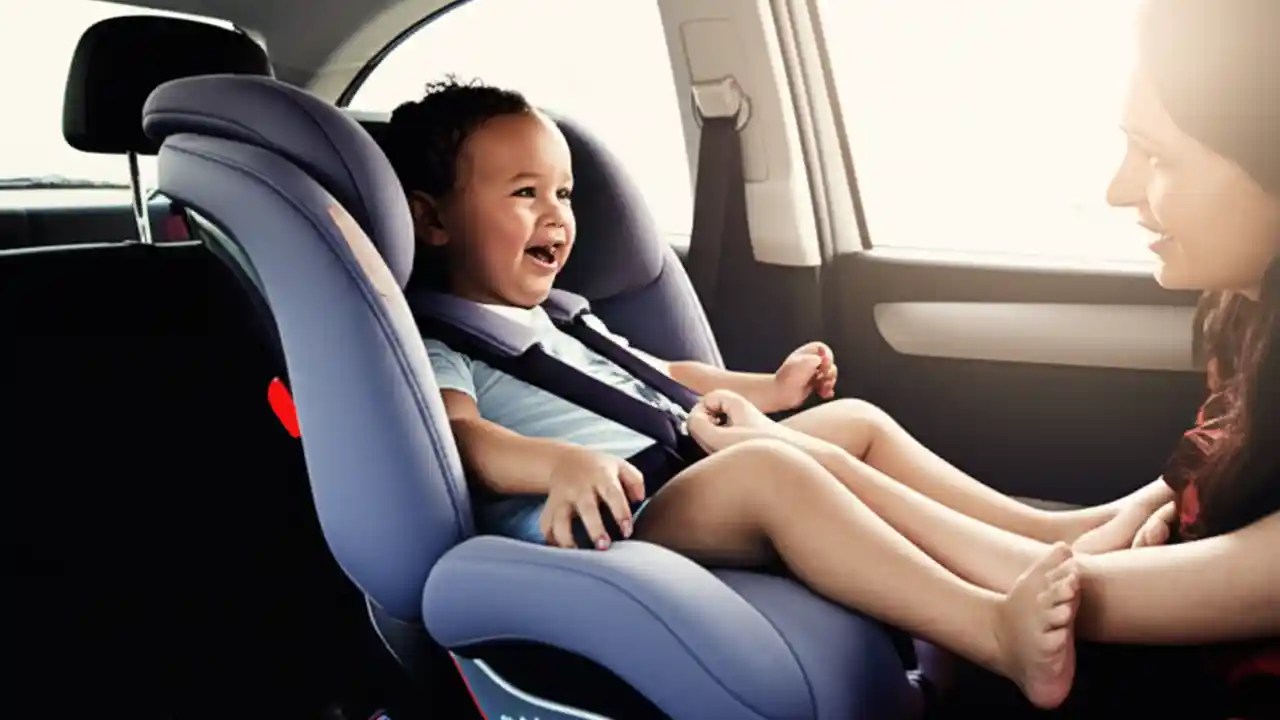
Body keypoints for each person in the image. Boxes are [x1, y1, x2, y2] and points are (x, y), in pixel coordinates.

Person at [383, 1, 1279, 713]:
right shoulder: (439, 340)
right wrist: (561, 462)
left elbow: (665, 377)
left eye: (564, 193)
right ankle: (988, 627)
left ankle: (1049, 533)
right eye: (524, 194)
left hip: (670, 459)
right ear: (432, 219)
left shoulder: (567, 317)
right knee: (778, 473)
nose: (557, 216)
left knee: (850, 421)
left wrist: (765, 388)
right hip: (615, 510)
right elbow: (457, 439)